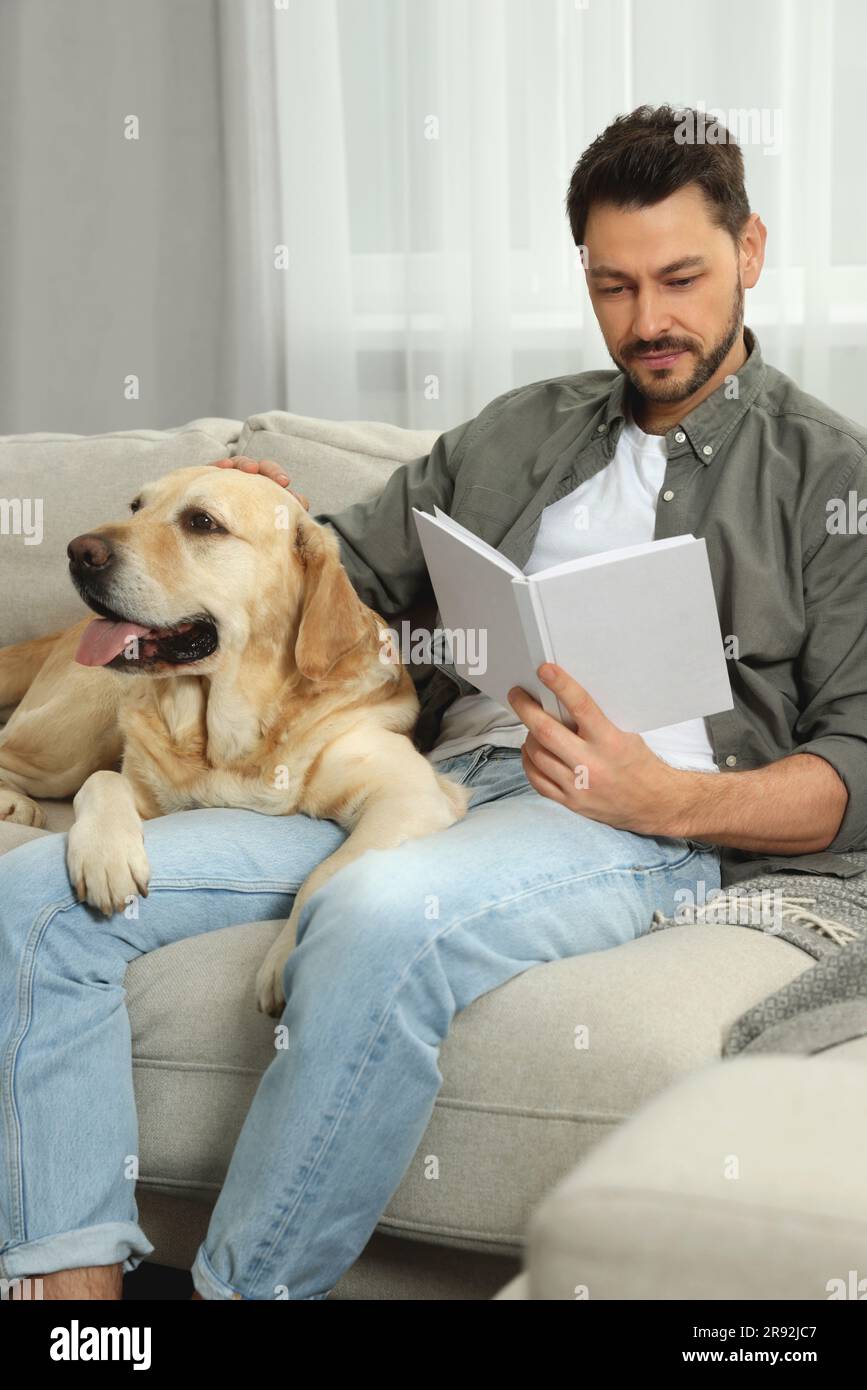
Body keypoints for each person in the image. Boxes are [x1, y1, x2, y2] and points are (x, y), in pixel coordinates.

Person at [1, 103, 863, 1301]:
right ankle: (75, 1311)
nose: (647, 321)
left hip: (622, 821)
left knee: (376, 910)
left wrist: (666, 798)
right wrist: (257, 518)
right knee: (35, 897)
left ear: (750, 251)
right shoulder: (521, 430)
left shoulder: (830, 477)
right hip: (426, 785)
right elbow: (335, 572)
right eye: (613, 285)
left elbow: (853, 765)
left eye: (681, 279)